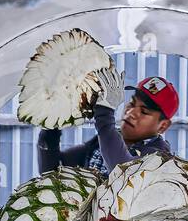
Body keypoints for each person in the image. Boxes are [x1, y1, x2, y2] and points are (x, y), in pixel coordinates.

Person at [36, 74, 179, 176]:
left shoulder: (158, 157)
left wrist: (104, 113)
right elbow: (52, 171)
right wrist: (51, 127)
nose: (131, 113)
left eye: (144, 111)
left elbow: (122, 170)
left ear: (163, 126)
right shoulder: (99, 145)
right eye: (132, 103)